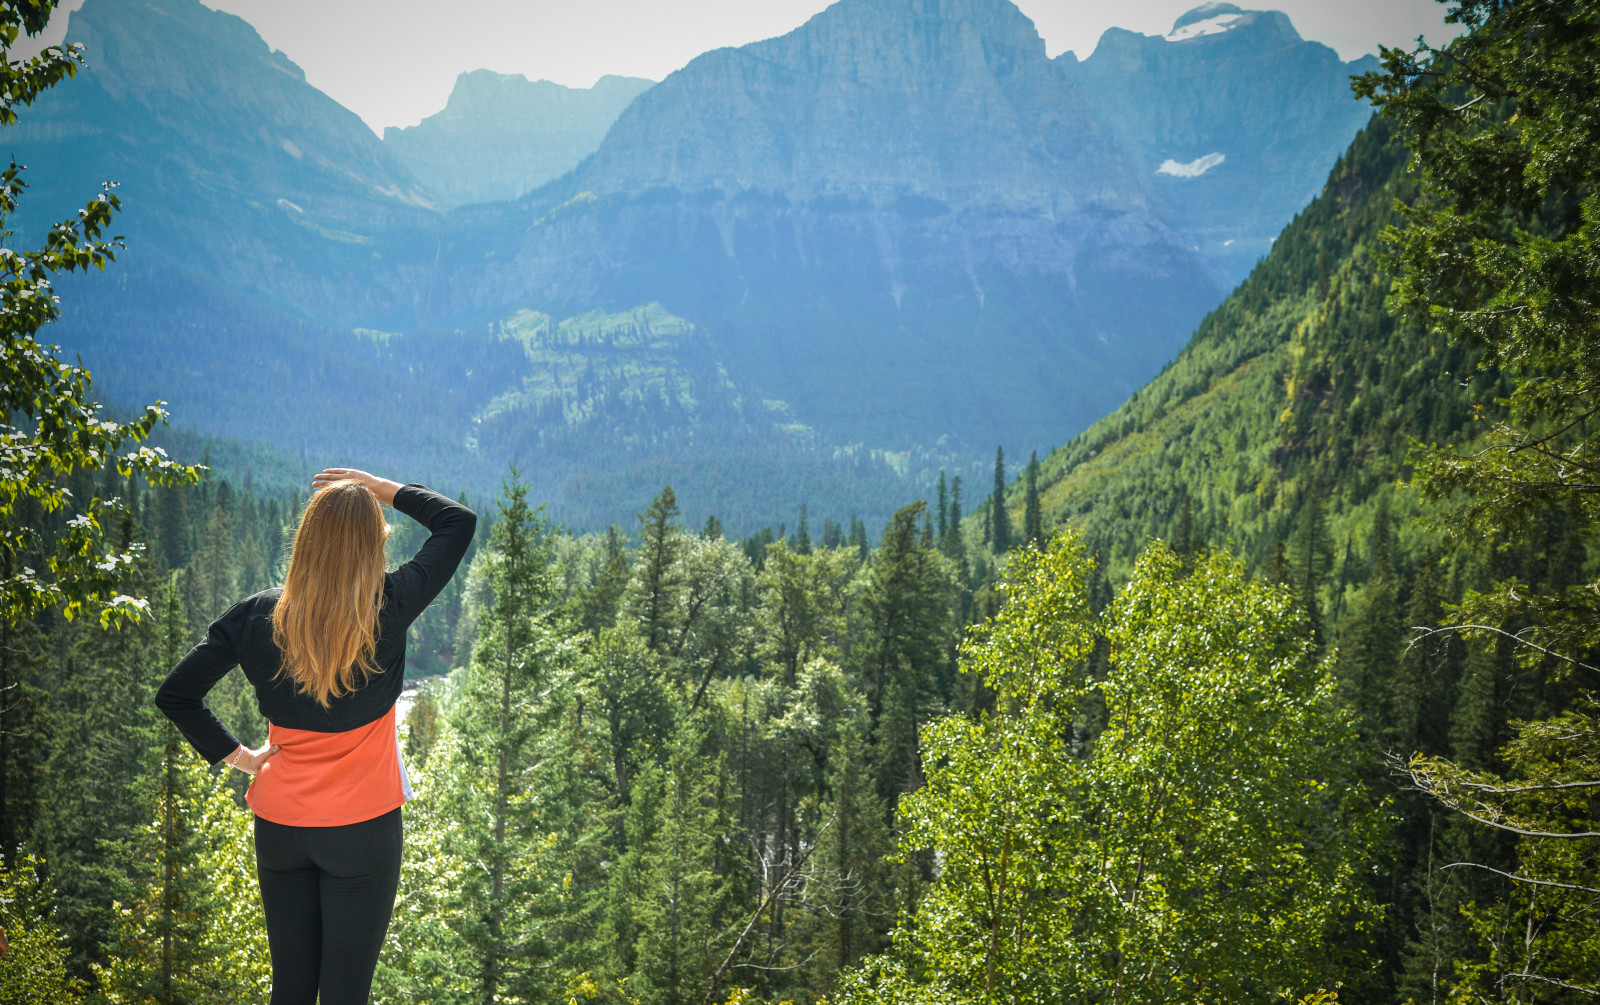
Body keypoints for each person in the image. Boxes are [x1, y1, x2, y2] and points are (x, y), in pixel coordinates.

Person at [156, 468, 476, 1005]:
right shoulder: (388, 606)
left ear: (305, 541)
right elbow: (456, 522)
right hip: (362, 830)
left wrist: (240, 757)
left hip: (282, 825)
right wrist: (376, 488)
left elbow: (177, 695)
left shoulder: (259, 615)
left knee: (292, 991)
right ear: (372, 546)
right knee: (347, 994)